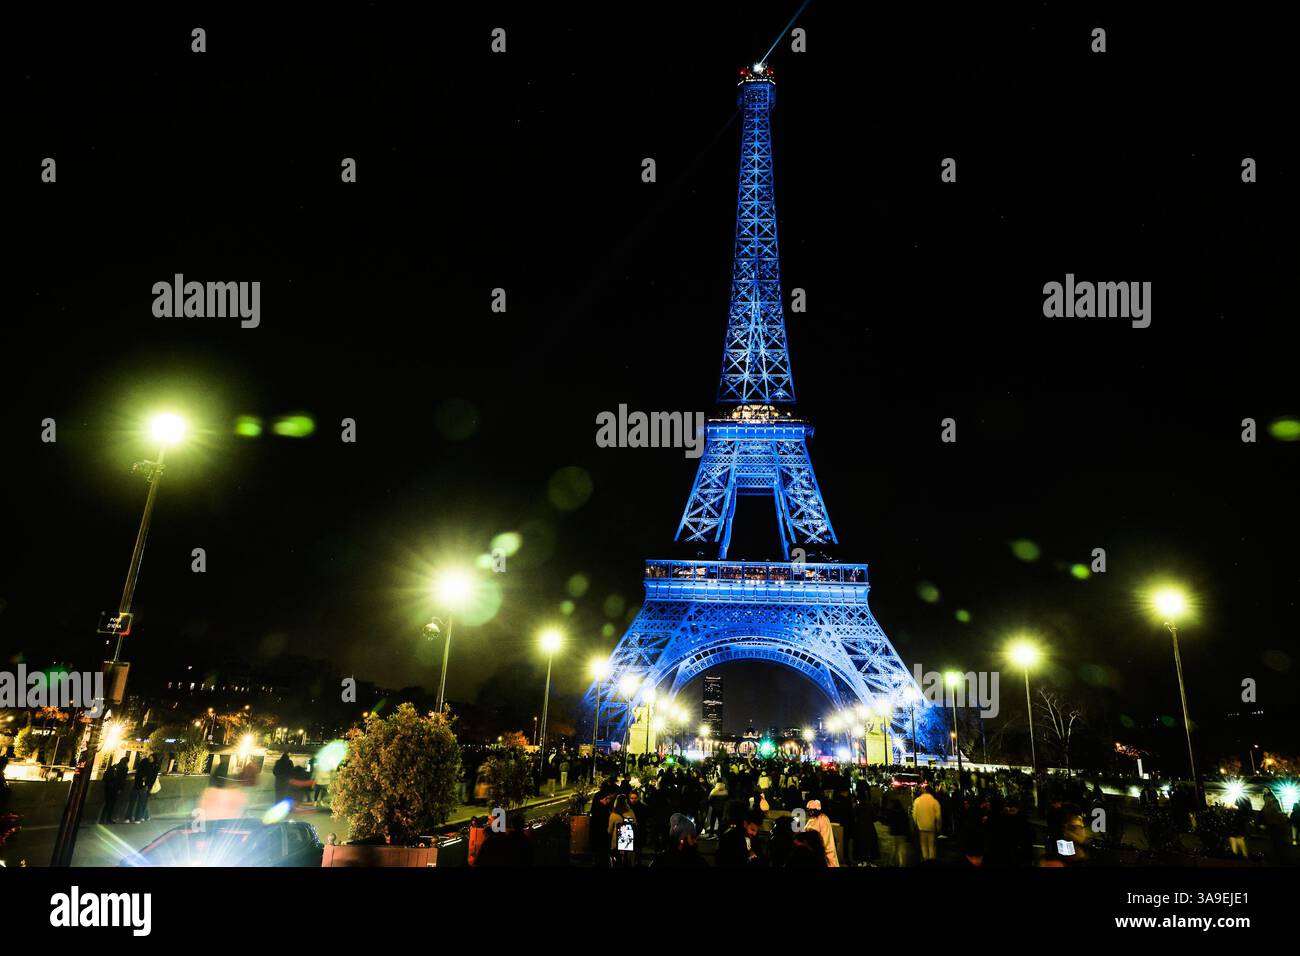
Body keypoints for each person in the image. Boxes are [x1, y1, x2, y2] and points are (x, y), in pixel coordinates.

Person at [803, 799, 839, 867]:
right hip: (813, 850)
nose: (810, 812)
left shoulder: (823, 819)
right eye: (809, 810)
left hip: (822, 851)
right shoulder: (812, 819)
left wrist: (820, 849)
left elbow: (826, 838)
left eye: (812, 810)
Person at [913, 784, 942, 863]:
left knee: (923, 846)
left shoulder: (917, 801)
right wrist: (939, 827)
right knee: (931, 846)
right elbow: (938, 816)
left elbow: (914, 815)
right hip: (931, 827)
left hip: (921, 827)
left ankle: (925, 860)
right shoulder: (934, 801)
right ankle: (931, 861)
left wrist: (916, 824)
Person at [608, 794, 637, 867]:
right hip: (628, 842)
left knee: (617, 862)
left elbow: (609, 830)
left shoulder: (613, 814)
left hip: (616, 843)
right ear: (626, 802)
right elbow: (635, 825)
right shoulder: (631, 812)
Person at [99, 755, 129, 824]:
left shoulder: (114, 766)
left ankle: (102, 819)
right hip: (115, 788)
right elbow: (122, 780)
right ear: (126, 762)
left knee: (107, 804)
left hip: (108, 787)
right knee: (111, 804)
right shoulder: (124, 768)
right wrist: (120, 789)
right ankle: (108, 819)